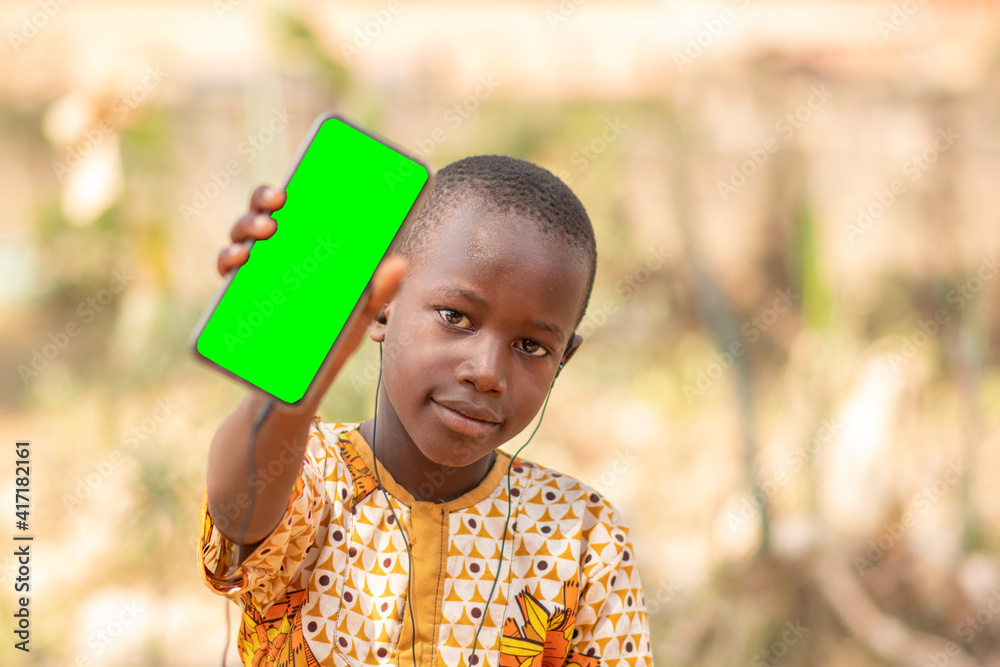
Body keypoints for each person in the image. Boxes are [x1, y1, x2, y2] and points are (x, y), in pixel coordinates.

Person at [198, 155, 652, 667]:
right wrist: (290, 376)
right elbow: (239, 510)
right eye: (455, 316)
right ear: (384, 307)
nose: (487, 371)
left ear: (563, 358)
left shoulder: (582, 535)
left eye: (531, 346)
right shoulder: (310, 474)